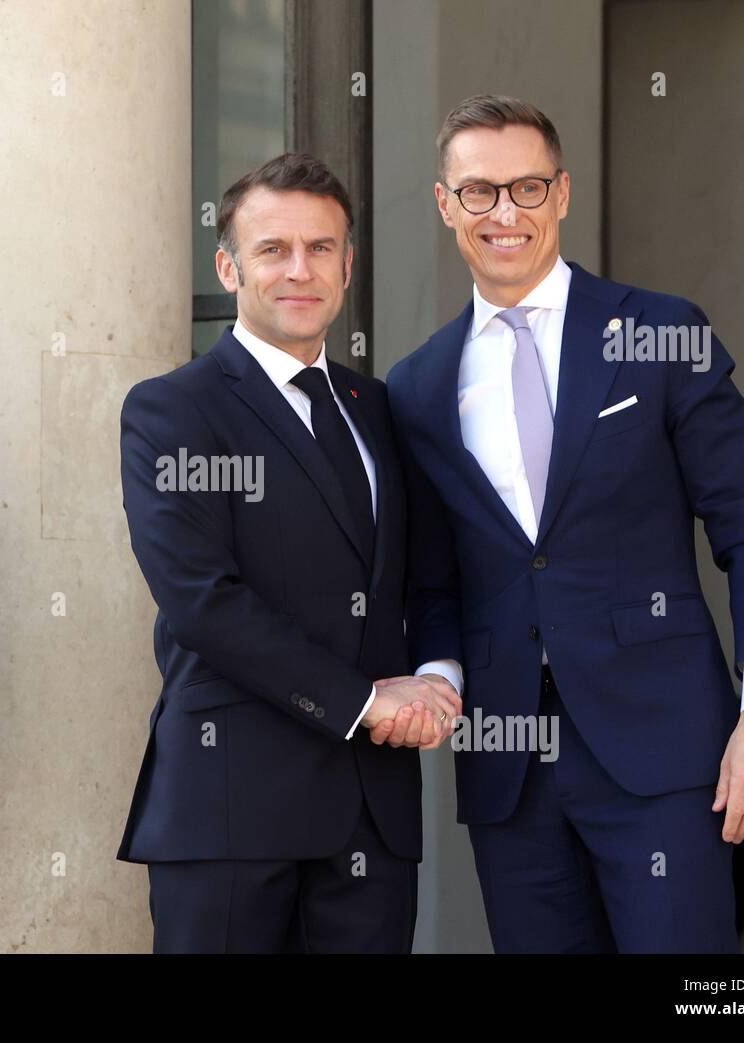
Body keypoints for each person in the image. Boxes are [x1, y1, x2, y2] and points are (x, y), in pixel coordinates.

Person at [385, 96, 744, 953]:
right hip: (508, 768)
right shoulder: (418, 386)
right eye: (479, 192)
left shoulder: (659, 331)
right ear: (444, 204)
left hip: (667, 752)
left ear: (563, 193)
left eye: (528, 187)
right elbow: (434, 580)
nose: (505, 213)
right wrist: (436, 673)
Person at [116, 154, 461, 953]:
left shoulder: (382, 408)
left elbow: (431, 578)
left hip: (372, 819)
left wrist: (439, 681)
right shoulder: (172, 410)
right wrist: (366, 703)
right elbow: (204, 601)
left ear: (348, 265)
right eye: (274, 249)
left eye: (321, 247)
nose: (299, 270)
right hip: (230, 812)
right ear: (229, 266)